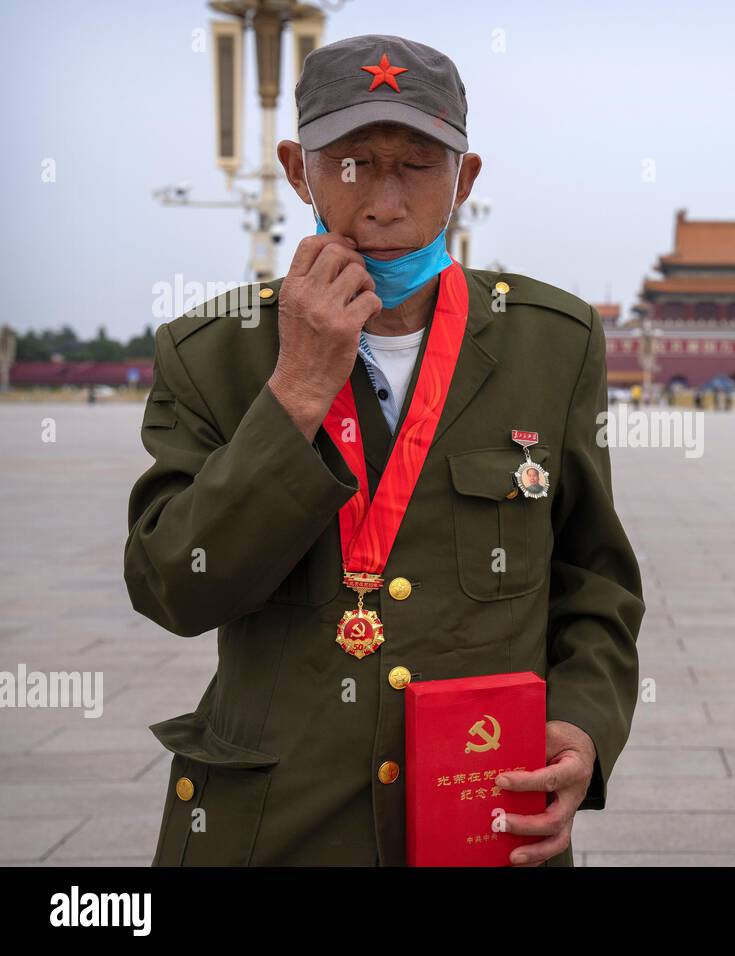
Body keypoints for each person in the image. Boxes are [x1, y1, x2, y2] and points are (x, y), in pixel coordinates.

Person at [123, 35, 644, 867]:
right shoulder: (214, 350)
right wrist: (295, 388)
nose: (385, 202)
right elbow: (172, 589)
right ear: (300, 171)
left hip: (482, 823)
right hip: (274, 829)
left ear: (465, 180)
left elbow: (594, 581)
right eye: (355, 163)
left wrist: (582, 723)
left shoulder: (553, 342)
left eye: (419, 164)